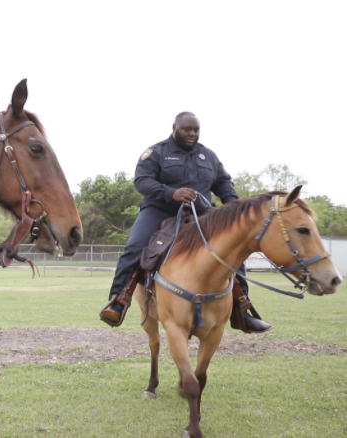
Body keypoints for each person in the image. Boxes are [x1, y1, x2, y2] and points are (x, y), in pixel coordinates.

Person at [99, 112, 272, 333]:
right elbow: (142, 181)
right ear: (174, 128)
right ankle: (118, 301)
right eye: (187, 129)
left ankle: (242, 310)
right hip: (160, 211)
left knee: (233, 248)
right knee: (135, 246)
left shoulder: (208, 156)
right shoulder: (156, 152)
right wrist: (171, 193)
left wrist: (233, 206)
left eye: (196, 130)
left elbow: (223, 182)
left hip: (202, 214)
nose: (192, 134)